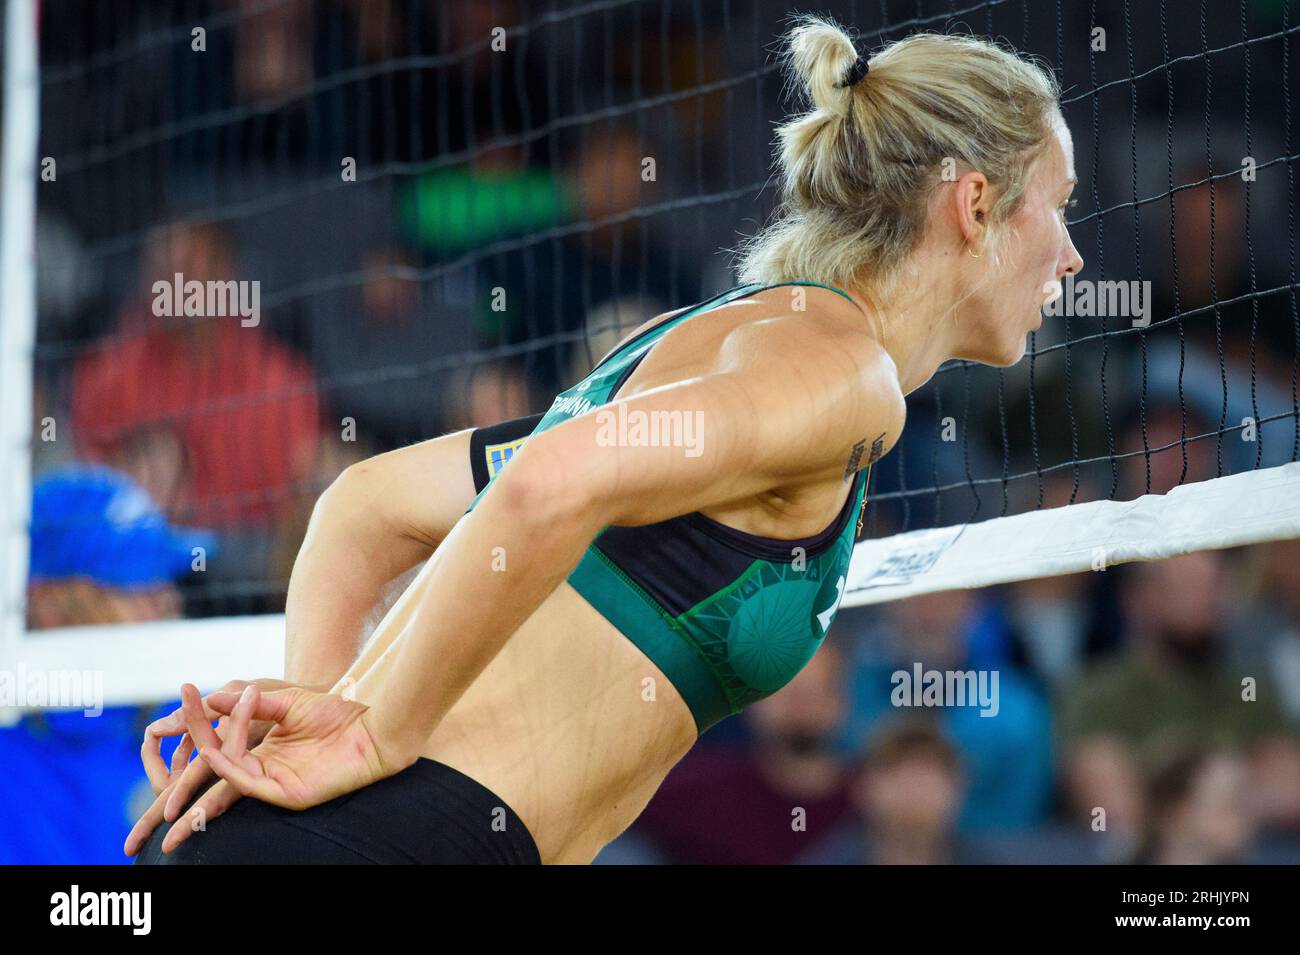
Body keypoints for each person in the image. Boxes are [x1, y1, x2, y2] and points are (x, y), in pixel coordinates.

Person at [127, 17, 1084, 864]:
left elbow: (363, 507)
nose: (1075, 254)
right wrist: (370, 742)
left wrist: (332, 735)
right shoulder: (843, 376)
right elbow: (545, 486)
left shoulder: (710, 341)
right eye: (1061, 203)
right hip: (401, 835)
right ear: (973, 204)